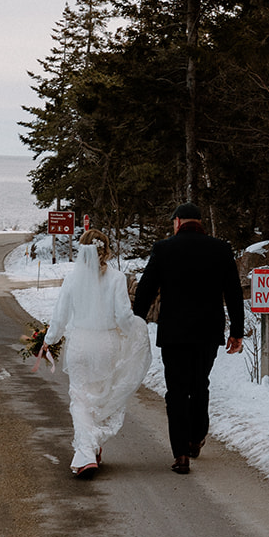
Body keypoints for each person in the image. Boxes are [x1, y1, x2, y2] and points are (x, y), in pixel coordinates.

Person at [131, 202, 244, 474]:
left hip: (174, 333)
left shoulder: (164, 249)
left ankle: (180, 454)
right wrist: (236, 332)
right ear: (200, 222)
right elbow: (234, 292)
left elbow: (145, 290)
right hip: (207, 332)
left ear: (178, 222)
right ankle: (196, 438)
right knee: (200, 384)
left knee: (177, 391)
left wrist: (135, 322)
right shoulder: (220, 249)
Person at [38, 229, 153, 478]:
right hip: (106, 345)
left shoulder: (72, 280)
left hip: (79, 345)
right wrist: (130, 331)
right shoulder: (116, 278)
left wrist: (49, 340)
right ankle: (89, 450)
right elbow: (123, 317)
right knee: (101, 396)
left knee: (80, 398)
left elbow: (60, 317)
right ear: (106, 250)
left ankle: (88, 451)